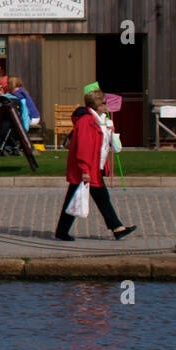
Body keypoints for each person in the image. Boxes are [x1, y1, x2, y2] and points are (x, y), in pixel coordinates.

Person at [55, 89, 136, 242]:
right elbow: (84, 147)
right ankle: (116, 228)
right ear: (97, 104)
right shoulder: (87, 121)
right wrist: (85, 169)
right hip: (86, 168)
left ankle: (117, 228)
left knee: (91, 197)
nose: (106, 106)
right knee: (83, 197)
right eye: (104, 103)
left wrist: (109, 130)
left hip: (92, 168)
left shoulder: (97, 120)